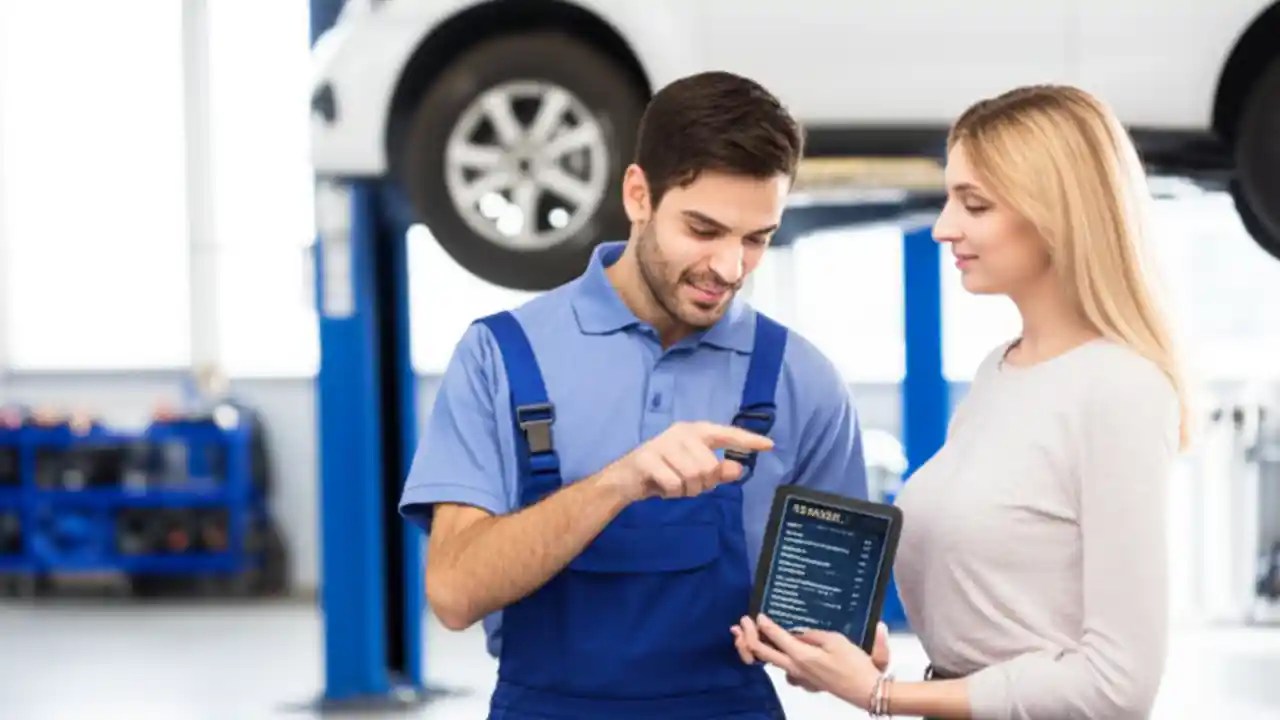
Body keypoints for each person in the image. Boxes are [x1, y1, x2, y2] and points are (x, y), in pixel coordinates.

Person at [398, 70, 872, 720]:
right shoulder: (501, 358)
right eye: (704, 230)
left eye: (757, 239)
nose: (729, 269)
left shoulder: (803, 380)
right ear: (638, 194)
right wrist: (619, 482)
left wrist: (841, 650)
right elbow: (453, 592)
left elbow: (829, 633)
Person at [734, 84, 1190, 719]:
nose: (944, 227)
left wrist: (880, 696)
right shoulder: (1000, 371)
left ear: (1056, 212)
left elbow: (1118, 686)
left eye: (973, 204)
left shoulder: (1121, 390)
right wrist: (854, 658)